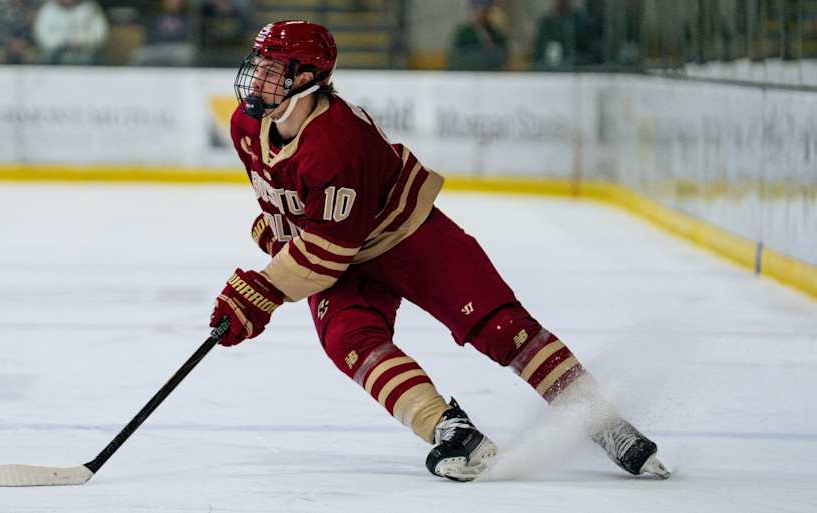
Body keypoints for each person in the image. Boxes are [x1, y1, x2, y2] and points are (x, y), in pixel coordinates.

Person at [211, 20, 671, 482]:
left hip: (408, 236)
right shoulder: (247, 125)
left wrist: (264, 290)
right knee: (348, 341)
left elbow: (327, 252)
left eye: (274, 69)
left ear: (309, 77)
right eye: (260, 65)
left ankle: (605, 422)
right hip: (344, 251)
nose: (258, 77)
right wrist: (278, 235)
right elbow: (288, 203)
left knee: (501, 328)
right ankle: (449, 430)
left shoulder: (335, 141)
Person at [32, 0, 107, 65]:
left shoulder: (90, 8)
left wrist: (81, 41)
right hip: (55, 56)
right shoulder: (48, 9)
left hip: (86, 55)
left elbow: (99, 33)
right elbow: (42, 35)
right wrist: (64, 42)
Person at [448, 0, 508, 71]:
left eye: (484, 9)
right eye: (476, 8)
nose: (479, 13)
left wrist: (489, 44)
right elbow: (455, 57)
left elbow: (502, 58)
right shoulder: (464, 33)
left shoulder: (496, 34)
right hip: (467, 75)